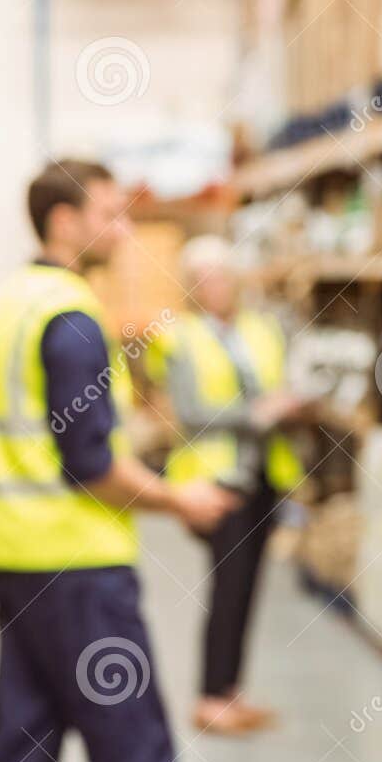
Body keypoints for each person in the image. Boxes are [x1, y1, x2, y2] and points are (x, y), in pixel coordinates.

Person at [0, 158, 287, 762]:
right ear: (65, 221)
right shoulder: (72, 317)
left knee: (21, 745)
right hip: (78, 566)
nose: (120, 228)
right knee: (133, 745)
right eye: (108, 212)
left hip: (12, 553)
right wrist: (182, 500)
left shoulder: (7, 301)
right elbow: (90, 465)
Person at [145, 236, 307, 735]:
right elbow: (191, 414)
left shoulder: (259, 330)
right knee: (229, 585)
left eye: (223, 275)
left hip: (264, 475)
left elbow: (277, 383)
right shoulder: (178, 339)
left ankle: (231, 692)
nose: (217, 285)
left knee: (248, 588)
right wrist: (258, 415)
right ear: (192, 286)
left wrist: (287, 406)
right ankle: (211, 698)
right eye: (205, 278)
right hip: (215, 481)